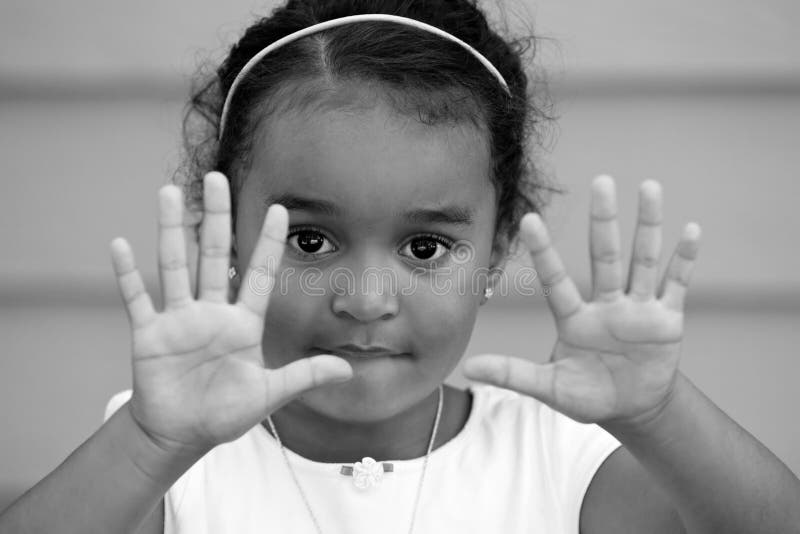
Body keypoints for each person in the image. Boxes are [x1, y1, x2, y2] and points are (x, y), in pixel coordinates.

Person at [2, 1, 799, 533]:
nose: (366, 300)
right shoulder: (169, 453)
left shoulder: (559, 458)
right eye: (311, 241)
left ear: (496, 253)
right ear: (232, 236)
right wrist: (145, 442)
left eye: (425, 248)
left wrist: (659, 416)